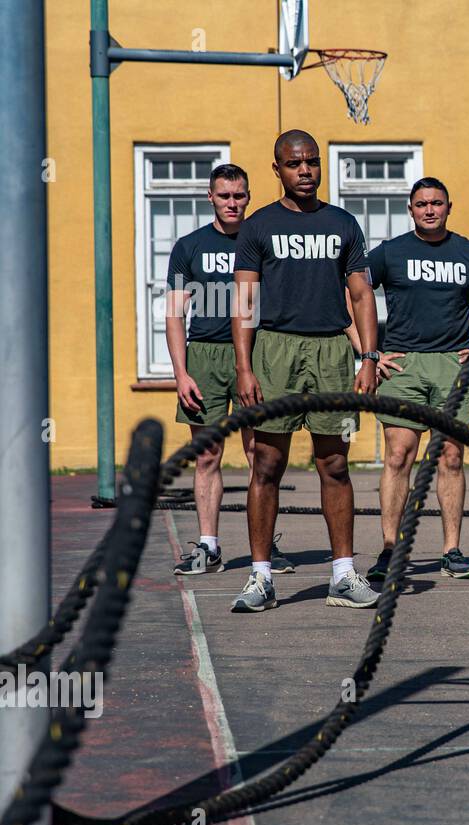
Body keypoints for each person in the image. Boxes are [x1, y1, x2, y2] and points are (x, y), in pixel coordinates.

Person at [230, 129, 381, 612]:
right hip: (274, 351)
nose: (305, 171)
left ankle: (343, 575)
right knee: (267, 464)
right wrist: (244, 367)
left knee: (334, 464)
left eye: (312, 162)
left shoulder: (343, 223)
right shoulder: (258, 226)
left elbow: (360, 295)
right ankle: (260, 578)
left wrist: (369, 358)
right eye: (295, 164)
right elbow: (245, 301)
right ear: (277, 169)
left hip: (331, 354)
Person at [167, 163, 292, 576]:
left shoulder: (263, 238)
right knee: (207, 456)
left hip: (256, 354)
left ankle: (264, 547)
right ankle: (209, 547)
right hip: (204, 356)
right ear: (210, 197)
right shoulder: (189, 246)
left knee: (262, 454)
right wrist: (181, 373)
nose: (232, 203)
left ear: (249, 196)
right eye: (224, 196)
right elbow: (173, 314)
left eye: (239, 195)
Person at [364, 177, 469, 583]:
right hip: (403, 364)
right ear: (410, 208)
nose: (429, 210)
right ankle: (389, 550)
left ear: (450, 206)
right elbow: (353, 293)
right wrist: (370, 352)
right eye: (421, 204)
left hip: (453, 363)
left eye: (436, 203)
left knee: (451, 456)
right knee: (399, 455)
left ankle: (451, 550)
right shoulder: (390, 253)